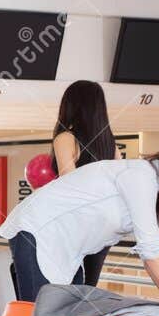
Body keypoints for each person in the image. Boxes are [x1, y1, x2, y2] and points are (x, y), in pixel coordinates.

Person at [0, 135, 159, 314]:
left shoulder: (155, 191)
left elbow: (156, 250)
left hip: (67, 249)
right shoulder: (140, 176)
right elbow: (151, 252)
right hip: (38, 230)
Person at [50, 79, 118, 287]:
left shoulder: (66, 138)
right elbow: (117, 181)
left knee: (65, 289)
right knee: (87, 287)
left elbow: (69, 185)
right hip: (103, 224)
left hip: (76, 223)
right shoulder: (109, 142)